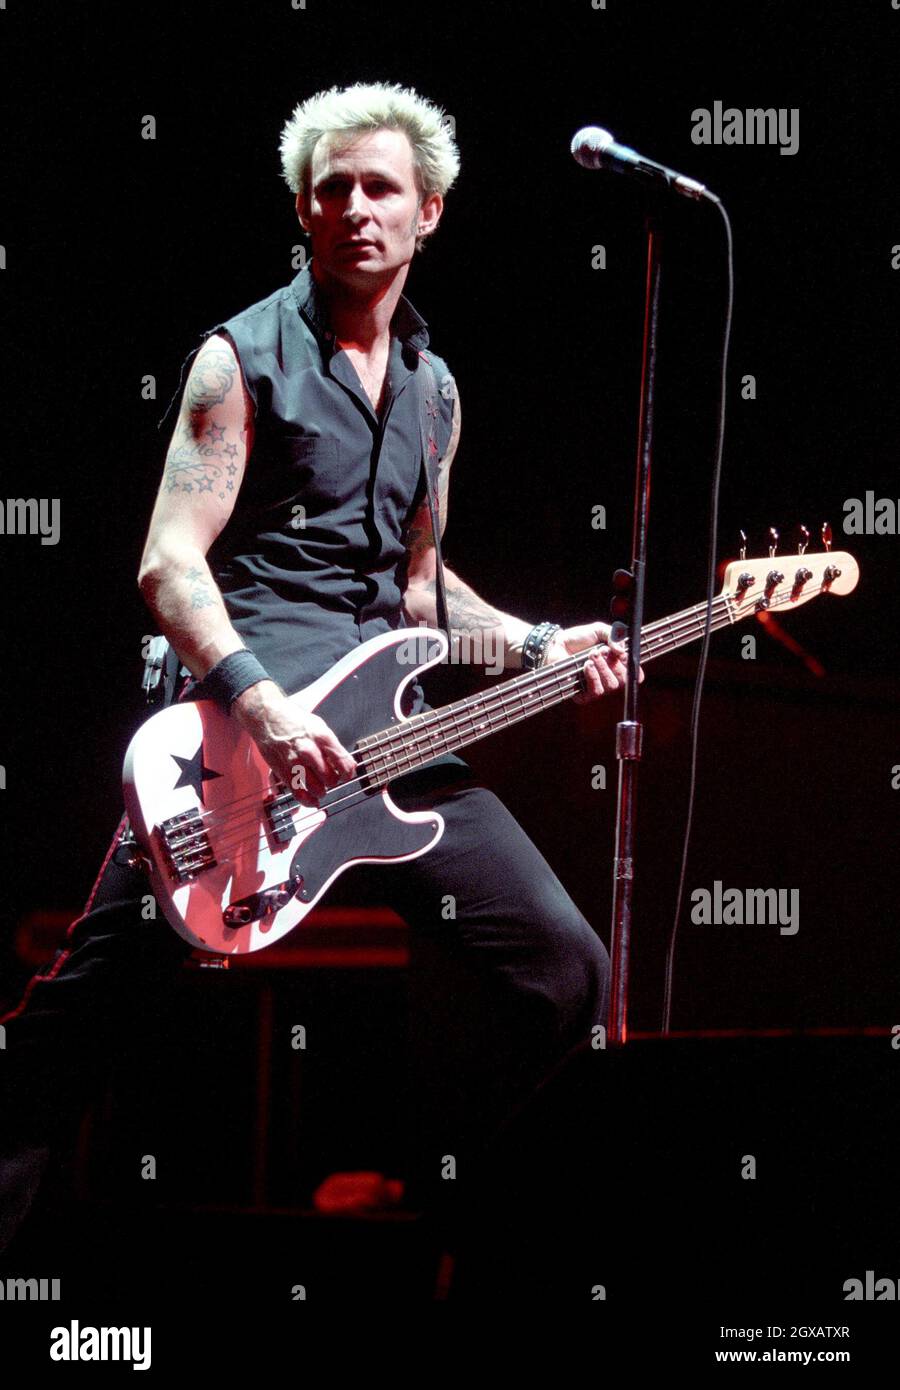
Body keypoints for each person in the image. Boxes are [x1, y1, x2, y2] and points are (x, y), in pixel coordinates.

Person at [0, 81, 629, 1258]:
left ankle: (476, 1244)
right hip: (244, 750)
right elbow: (168, 565)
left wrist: (544, 642)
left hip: (386, 748)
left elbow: (421, 591)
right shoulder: (236, 361)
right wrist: (261, 700)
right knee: (69, 1036)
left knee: (568, 975)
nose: (354, 208)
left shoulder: (436, 394)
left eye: (380, 187)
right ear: (301, 208)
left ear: (429, 211)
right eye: (330, 188)